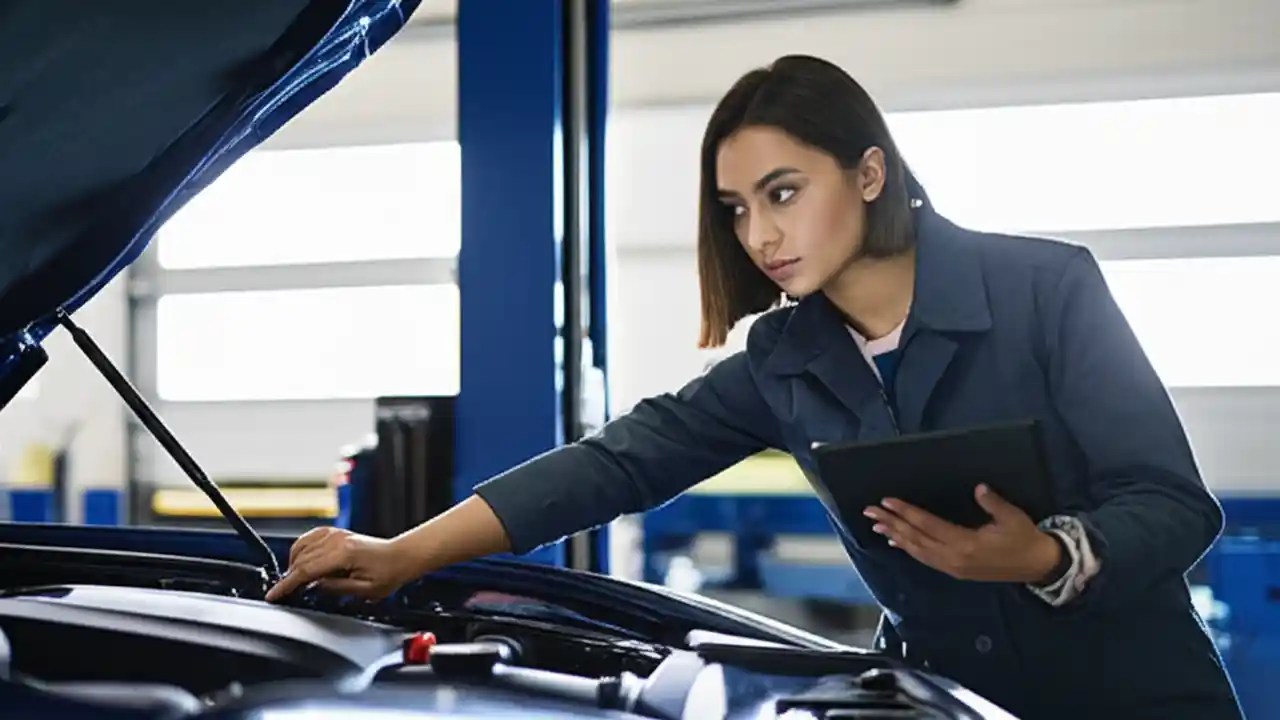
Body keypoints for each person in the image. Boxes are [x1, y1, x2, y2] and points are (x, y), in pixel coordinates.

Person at [267, 55, 1242, 718]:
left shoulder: (1045, 290)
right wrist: (400, 553)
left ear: (868, 174)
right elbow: (617, 463)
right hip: (945, 703)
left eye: (783, 193)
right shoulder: (783, 359)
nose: (759, 235)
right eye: (735, 208)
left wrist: (1042, 555)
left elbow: (1172, 504)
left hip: (1132, 696)